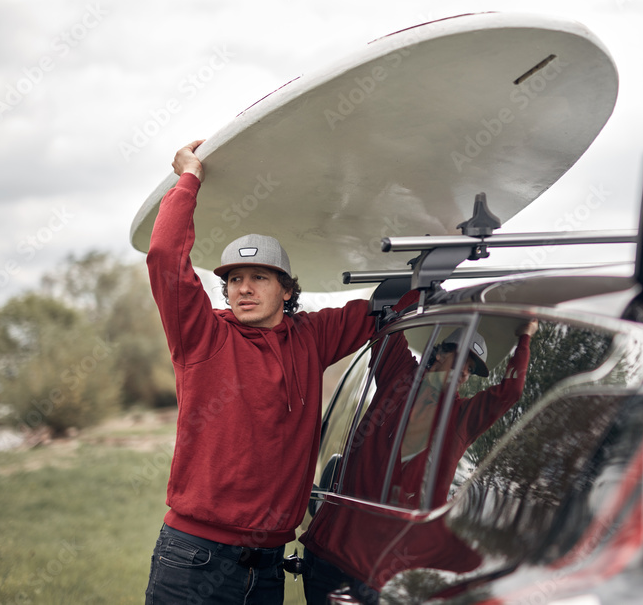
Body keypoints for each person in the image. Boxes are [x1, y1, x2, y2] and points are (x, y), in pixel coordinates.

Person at [143, 140, 413, 605]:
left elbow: (386, 309)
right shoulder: (203, 337)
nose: (243, 288)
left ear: (287, 290)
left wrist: (437, 263)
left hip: (269, 567)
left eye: (259, 277)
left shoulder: (311, 337)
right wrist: (188, 178)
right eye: (234, 279)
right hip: (194, 558)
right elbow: (166, 257)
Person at [299, 320, 539, 604]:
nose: (464, 372)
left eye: (471, 369)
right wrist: (427, 284)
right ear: (438, 352)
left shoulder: (462, 418)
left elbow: (510, 392)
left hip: (379, 577)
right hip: (326, 554)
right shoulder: (398, 374)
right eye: (461, 359)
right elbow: (389, 321)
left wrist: (525, 336)